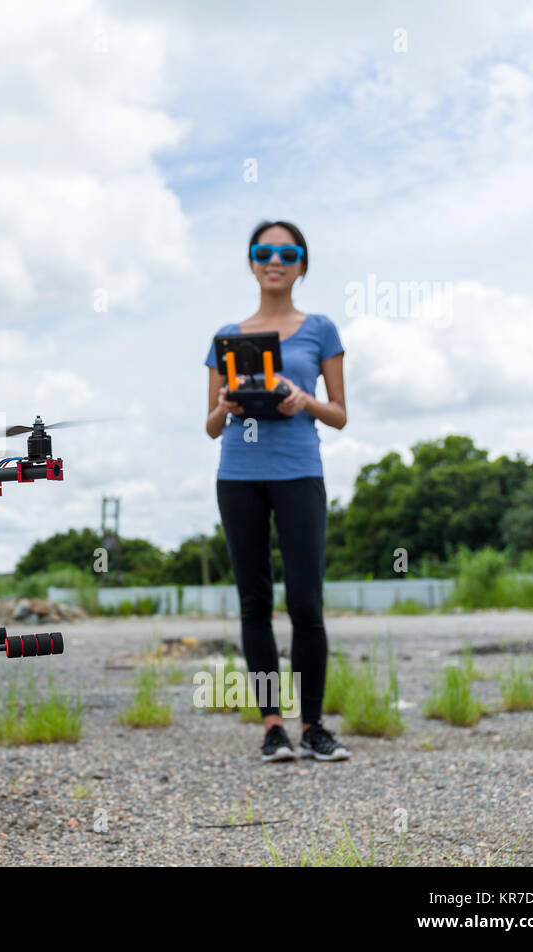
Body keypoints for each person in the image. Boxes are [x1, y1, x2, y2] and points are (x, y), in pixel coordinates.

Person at [204, 220, 350, 762]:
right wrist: (228, 406)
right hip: (239, 475)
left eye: (287, 253)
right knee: (254, 603)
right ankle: (272, 727)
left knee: (306, 602)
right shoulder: (226, 337)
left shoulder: (322, 330)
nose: (275, 259)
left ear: (302, 265)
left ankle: (313, 724)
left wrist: (301, 399)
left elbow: (338, 415)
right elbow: (211, 425)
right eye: (264, 251)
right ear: (250, 262)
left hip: (298, 473)